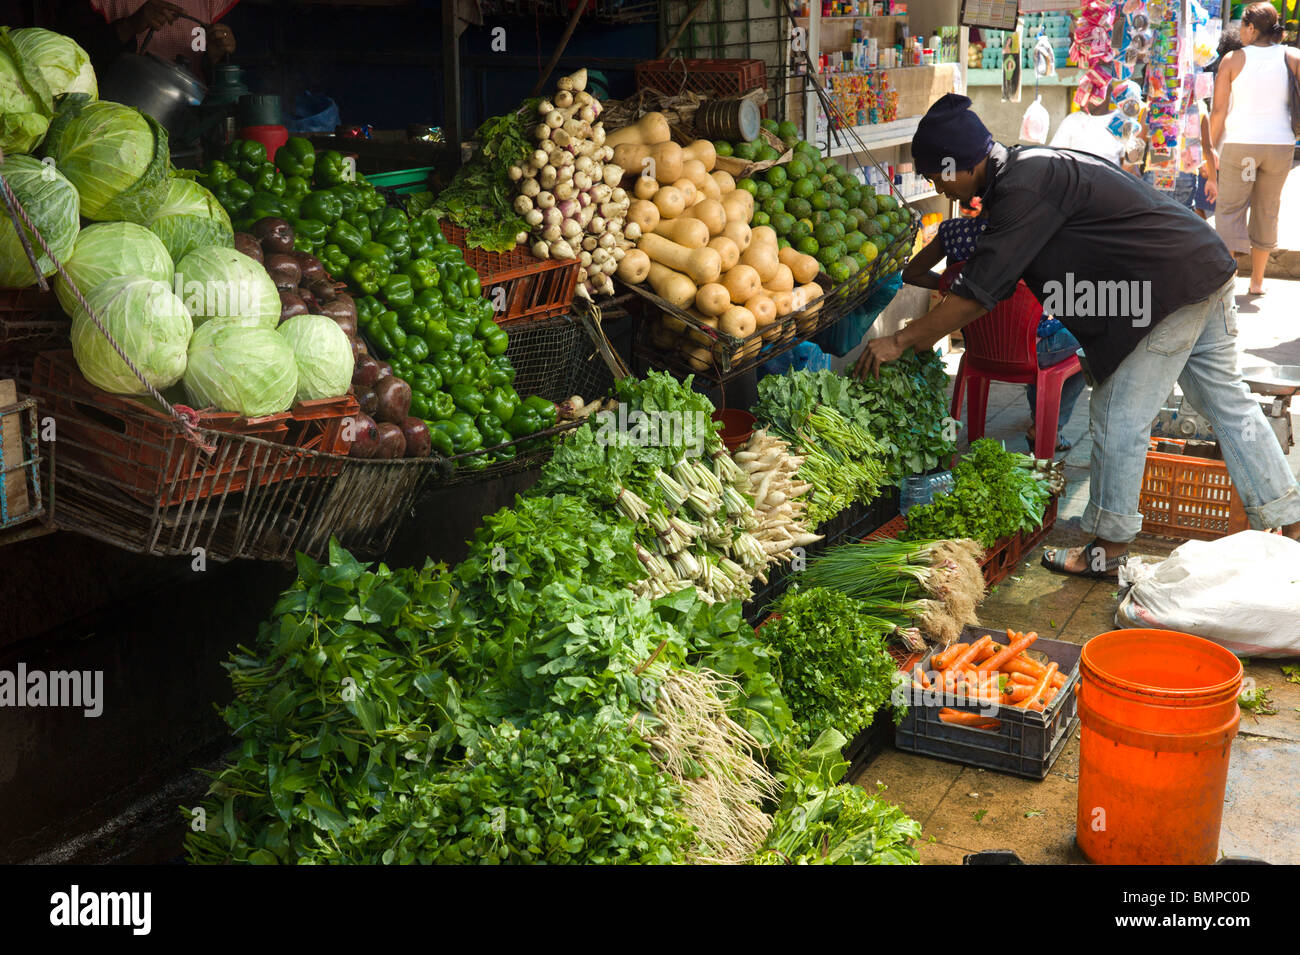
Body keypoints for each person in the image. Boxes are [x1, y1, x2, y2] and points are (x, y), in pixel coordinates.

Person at [855, 94, 1300, 578]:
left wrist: (898, 340)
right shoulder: (1024, 171)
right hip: (1200, 266)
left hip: (1164, 291)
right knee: (1225, 403)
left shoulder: (1024, 186)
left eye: (934, 174)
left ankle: (1106, 550)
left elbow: (977, 294)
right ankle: (1290, 520)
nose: (936, 185)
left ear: (957, 164)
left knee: (1115, 415)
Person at [902, 197, 1085, 454]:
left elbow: (912, 273)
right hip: (1031, 349)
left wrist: (954, 286)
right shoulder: (1038, 235)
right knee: (1086, 340)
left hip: (980, 346)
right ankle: (1048, 431)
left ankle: (1038, 417)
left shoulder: (953, 232)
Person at [1207, 2, 1300, 295]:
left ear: (1250, 27)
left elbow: (1219, 111)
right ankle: (1257, 282)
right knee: (1267, 208)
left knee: (1232, 209)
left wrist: (1209, 149)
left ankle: (1226, 282)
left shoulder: (1233, 59)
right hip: (1280, 145)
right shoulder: (1293, 56)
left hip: (1242, 147)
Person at [55, 0, 237, 81]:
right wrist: (130, 25)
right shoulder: (94, 5)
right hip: (117, 121)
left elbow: (219, 79)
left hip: (189, 123)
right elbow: (72, 61)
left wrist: (216, 57)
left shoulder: (211, 3)